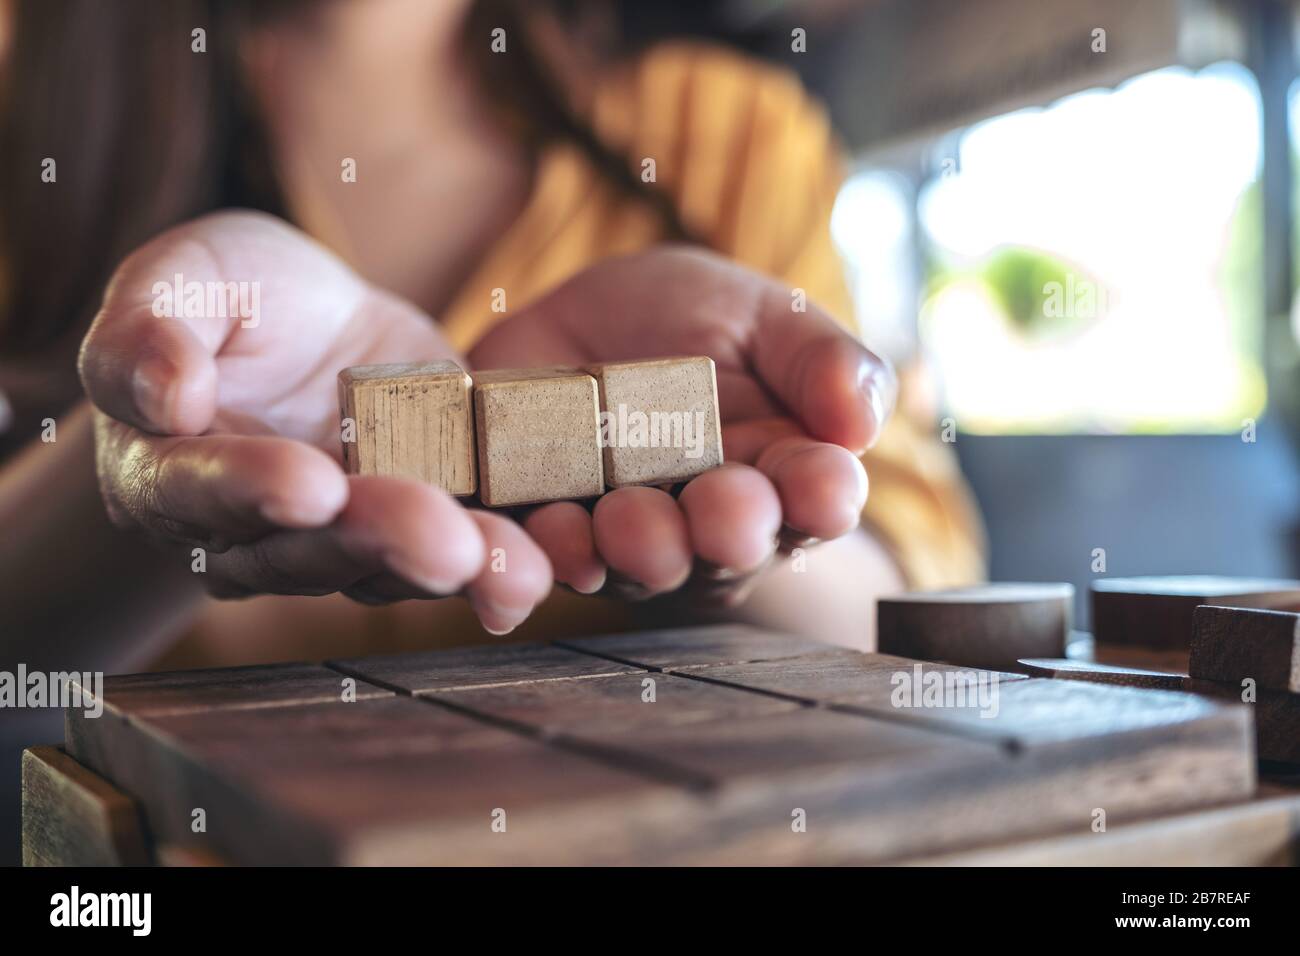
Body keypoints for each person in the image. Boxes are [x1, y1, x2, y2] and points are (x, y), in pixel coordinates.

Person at [0, 0, 985, 677]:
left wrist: (739, 558)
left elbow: (923, 624)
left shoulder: (722, 133)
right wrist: (146, 464)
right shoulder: (32, 155)